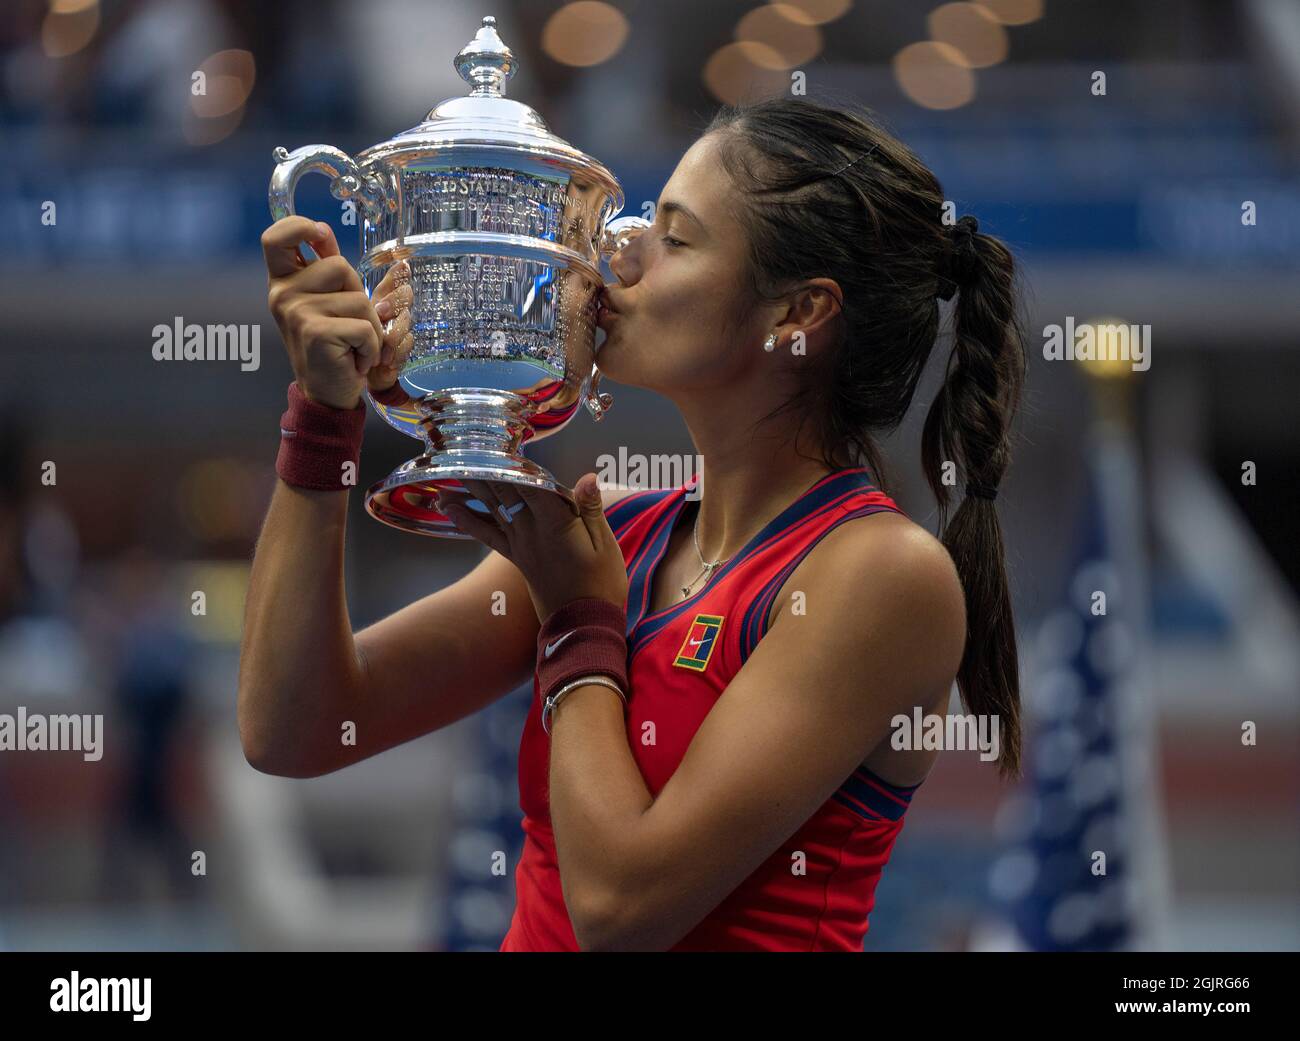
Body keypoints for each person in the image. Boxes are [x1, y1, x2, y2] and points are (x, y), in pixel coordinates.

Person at [241, 95, 1026, 952]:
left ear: (797, 315)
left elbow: (621, 909)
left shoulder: (880, 574)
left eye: (677, 238)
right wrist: (326, 416)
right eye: (645, 218)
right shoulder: (607, 534)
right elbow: (298, 728)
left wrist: (579, 626)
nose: (619, 251)